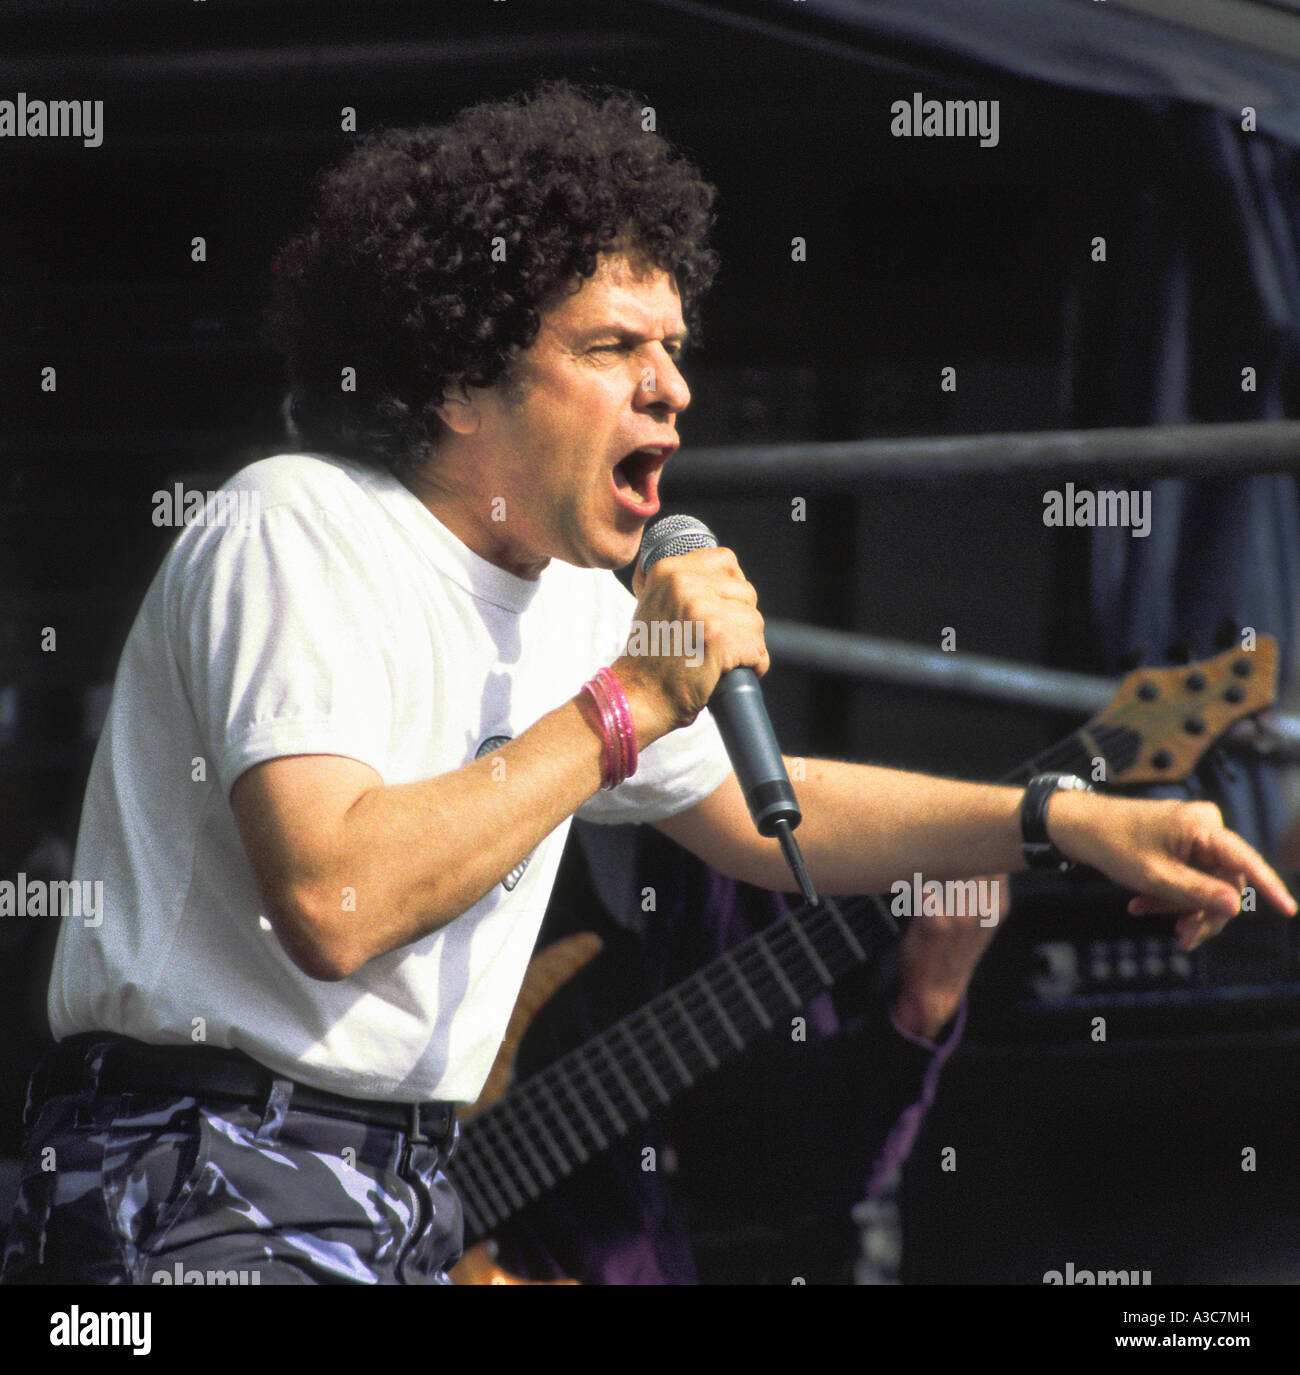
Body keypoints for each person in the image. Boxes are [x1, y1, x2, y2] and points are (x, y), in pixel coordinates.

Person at [2, 81, 1292, 1287]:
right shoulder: (298, 528)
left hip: (407, 1185)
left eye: (673, 347)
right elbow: (333, 901)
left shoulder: (572, 607)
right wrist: (627, 705)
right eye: (616, 345)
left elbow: (764, 812)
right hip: (198, 1167)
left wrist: (1061, 817)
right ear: (460, 376)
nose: (672, 390)